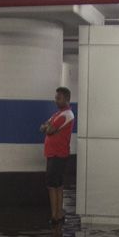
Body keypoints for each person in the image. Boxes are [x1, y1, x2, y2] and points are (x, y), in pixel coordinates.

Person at [39, 87, 75, 225]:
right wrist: (47, 127)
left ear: (67, 99)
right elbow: (42, 127)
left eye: (59, 98)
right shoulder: (57, 114)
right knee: (58, 184)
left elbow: (49, 129)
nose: (56, 100)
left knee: (52, 185)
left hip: (57, 155)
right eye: (56, 98)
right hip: (56, 154)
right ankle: (58, 213)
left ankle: (55, 215)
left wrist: (48, 127)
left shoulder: (65, 115)